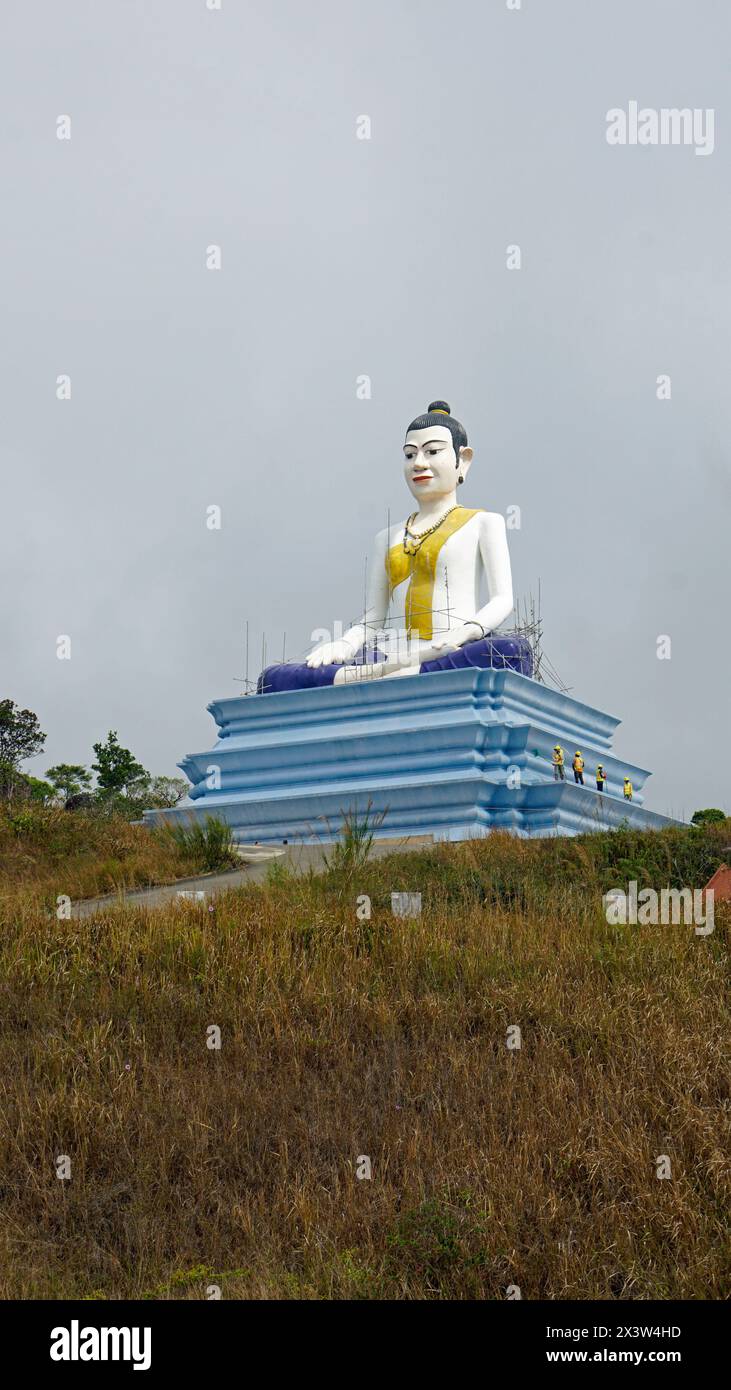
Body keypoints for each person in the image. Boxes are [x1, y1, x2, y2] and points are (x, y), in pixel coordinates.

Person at [258, 402, 533, 692]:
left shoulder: (483, 523)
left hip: (452, 650)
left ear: (462, 460)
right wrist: (344, 643)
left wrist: (463, 634)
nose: (419, 463)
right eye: (409, 454)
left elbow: (502, 600)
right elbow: (373, 619)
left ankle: (381, 678)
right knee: (275, 679)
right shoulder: (387, 538)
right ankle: (395, 672)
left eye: (433, 452)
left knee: (511, 650)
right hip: (394, 654)